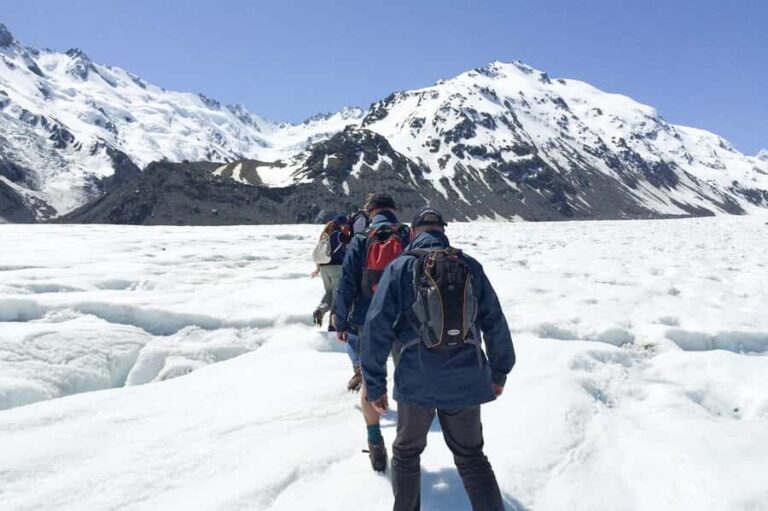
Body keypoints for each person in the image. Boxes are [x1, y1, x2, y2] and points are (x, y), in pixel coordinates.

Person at [361, 207, 515, 511]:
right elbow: (495, 321)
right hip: (467, 376)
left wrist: (375, 384)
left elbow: (376, 327)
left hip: (417, 377)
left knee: (406, 454)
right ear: (443, 230)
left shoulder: (400, 267)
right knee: (472, 457)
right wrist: (498, 373)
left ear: (414, 232)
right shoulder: (470, 265)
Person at [334, 193, 410, 471]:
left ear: (370, 211)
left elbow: (346, 283)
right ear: (393, 209)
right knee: (407, 377)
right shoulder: (407, 234)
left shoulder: (361, 238)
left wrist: (341, 320)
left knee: (370, 379)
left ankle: (375, 440)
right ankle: (406, 442)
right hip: (404, 321)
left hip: (368, 320)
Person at [311, 215, 350, 330]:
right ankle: (333, 326)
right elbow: (351, 242)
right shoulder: (339, 235)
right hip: (336, 268)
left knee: (329, 293)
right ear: (341, 225)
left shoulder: (325, 236)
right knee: (337, 298)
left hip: (324, 269)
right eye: (345, 225)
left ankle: (320, 310)